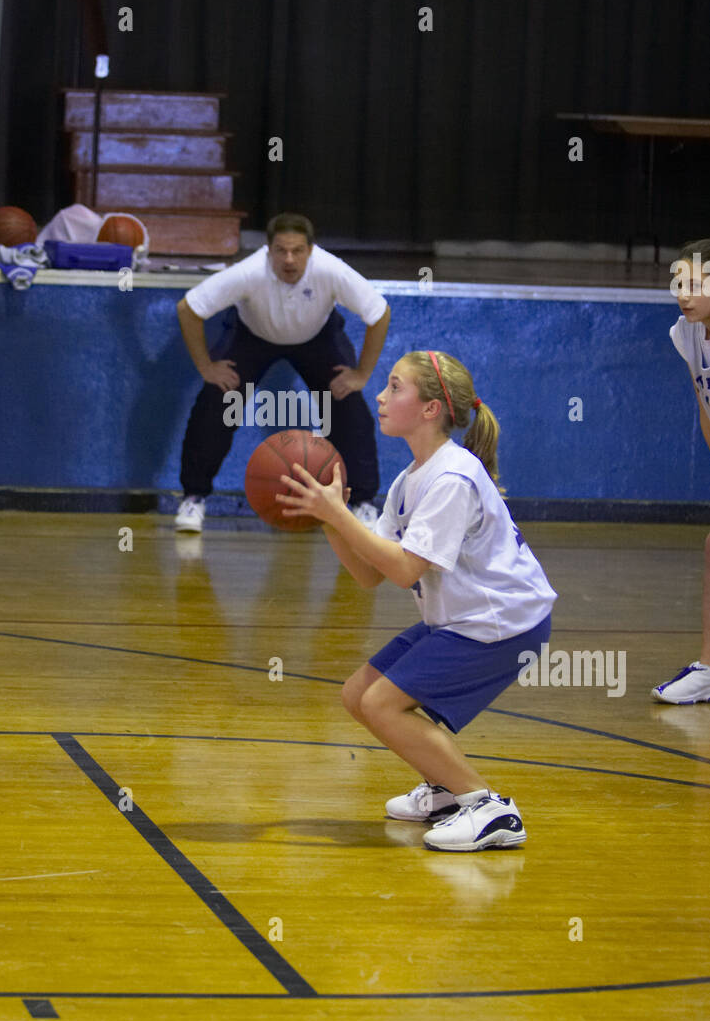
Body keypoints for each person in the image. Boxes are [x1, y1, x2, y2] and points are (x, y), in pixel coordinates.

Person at [276, 349, 557, 851]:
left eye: (395, 387)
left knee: (382, 704)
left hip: (501, 624)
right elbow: (369, 574)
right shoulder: (410, 479)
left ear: (430, 409)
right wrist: (330, 517)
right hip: (461, 620)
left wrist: (338, 516)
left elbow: (405, 567)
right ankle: (447, 790)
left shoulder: (452, 477)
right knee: (357, 695)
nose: (380, 397)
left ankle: (488, 807)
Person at [175, 212, 390, 533]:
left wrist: (361, 374)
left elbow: (380, 313)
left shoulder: (330, 270)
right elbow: (188, 309)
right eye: (281, 251)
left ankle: (362, 504)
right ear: (268, 250)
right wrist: (207, 367)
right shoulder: (248, 273)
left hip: (318, 337)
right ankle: (193, 498)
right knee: (216, 402)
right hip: (252, 336)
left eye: (298, 251)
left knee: (349, 406)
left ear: (311, 250)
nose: (289, 259)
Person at [652, 237, 710, 703]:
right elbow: (702, 400)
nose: (683, 294)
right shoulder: (686, 333)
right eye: (678, 283)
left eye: (694, 284)